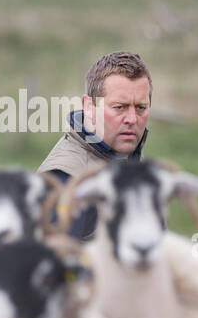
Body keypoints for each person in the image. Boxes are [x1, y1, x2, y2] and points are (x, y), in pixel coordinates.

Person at [37, 50, 151, 239]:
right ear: (89, 107)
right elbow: (55, 264)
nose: (132, 119)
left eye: (140, 108)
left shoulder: (130, 159)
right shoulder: (66, 179)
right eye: (119, 107)